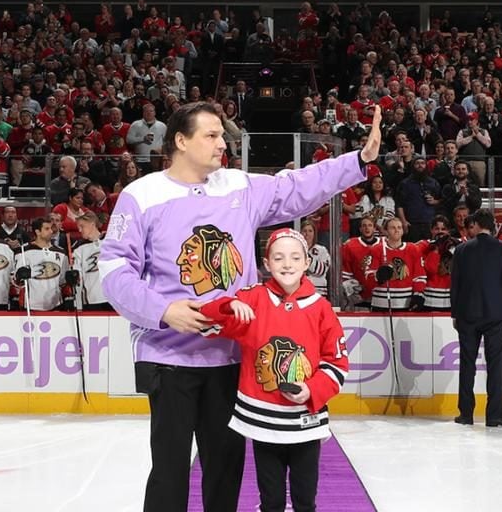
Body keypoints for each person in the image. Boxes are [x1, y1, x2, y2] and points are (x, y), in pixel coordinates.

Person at [99, 101, 380, 512]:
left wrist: (357, 161)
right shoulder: (141, 195)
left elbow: (297, 186)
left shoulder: (238, 186)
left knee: (226, 469)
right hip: (167, 356)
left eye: (221, 136)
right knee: (170, 469)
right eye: (211, 136)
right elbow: (114, 270)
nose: (221, 144)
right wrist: (163, 311)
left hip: (231, 357)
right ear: (181, 140)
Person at [197, 228, 348, 512]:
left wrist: (311, 389)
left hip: (305, 422)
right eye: (278, 258)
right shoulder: (253, 299)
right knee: (272, 501)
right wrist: (229, 305)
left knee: (305, 501)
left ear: (306, 262)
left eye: (294, 257)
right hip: (263, 422)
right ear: (267, 264)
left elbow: (337, 363)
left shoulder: (322, 309)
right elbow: (208, 321)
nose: (287, 264)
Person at [450, 208, 502, 427]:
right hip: (496, 314)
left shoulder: (461, 249)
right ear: (493, 226)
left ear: (477, 225)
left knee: (467, 364)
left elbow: (455, 285)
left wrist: (455, 313)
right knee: (495, 364)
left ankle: (466, 414)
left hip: (468, 314)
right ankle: (494, 415)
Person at [367, 217, 426, 311]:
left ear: (403, 230)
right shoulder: (376, 249)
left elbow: (419, 276)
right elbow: (368, 275)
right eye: (393, 228)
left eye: (399, 227)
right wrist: (378, 276)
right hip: (381, 303)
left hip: (405, 302)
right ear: (386, 231)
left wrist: (418, 294)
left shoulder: (413, 249)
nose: (396, 230)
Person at [14, 217, 71, 312]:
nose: (51, 231)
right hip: (31, 306)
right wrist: (19, 275)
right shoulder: (23, 251)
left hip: (56, 305)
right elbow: (15, 281)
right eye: (47, 229)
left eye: (51, 228)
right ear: (38, 232)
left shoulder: (61, 252)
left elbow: (63, 281)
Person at [415, 215, 460, 312]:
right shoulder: (424, 245)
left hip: (449, 300)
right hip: (429, 300)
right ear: (431, 230)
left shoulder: (454, 246)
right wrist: (435, 249)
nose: (440, 231)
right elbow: (431, 270)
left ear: (448, 231)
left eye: (443, 229)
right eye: (437, 229)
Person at [71, 212, 110, 311]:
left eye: (82, 226)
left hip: (114, 298)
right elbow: (78, 278)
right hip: (92, 300)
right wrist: (78, 304)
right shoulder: (78, 248)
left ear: (92, 224)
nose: (79, 230)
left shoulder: (110, 241)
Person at [300, 220, 330, 297]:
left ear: (314, 233)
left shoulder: (322, 250)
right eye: (304, 231)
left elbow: (321, 270)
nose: (307, 234)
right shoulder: (295, 250)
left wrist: (305, 256)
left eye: (310, 231)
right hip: (299, 290)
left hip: (318, 291)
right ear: (300, 233)